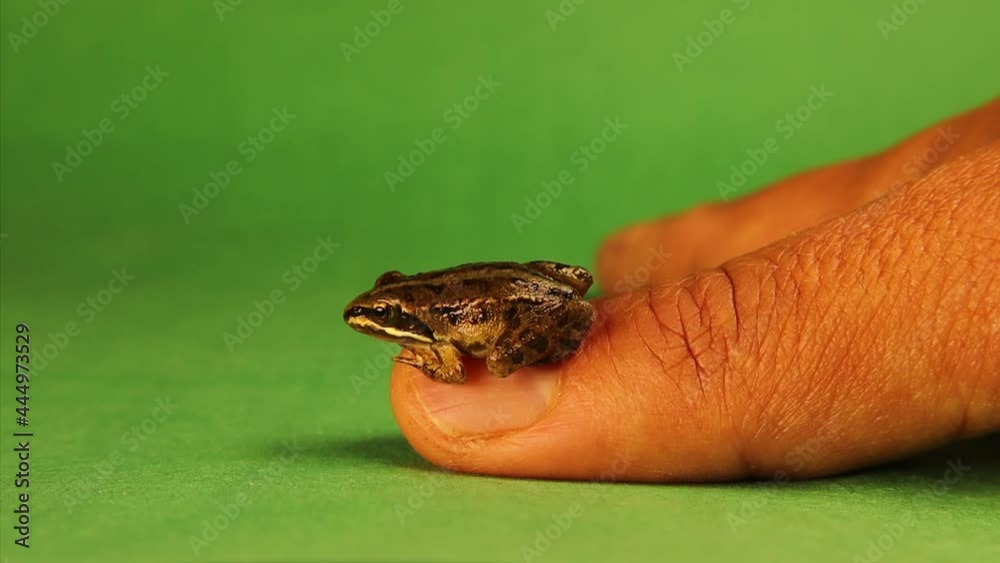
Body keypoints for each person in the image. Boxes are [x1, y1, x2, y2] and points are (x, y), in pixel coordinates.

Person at [389, 97, 999, 482]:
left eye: (388, 311)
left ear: (410, 312)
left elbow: (446, 372)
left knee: (498, 361)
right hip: (541, 283)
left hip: (525, 307)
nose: (377, 316)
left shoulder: (434, 334)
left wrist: (427, 353)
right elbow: (574, 278)